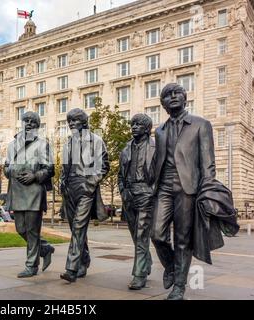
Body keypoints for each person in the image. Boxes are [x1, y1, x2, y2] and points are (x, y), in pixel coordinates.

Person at [150, 83, 217, 300]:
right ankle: (171, 266)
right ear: (163, 104)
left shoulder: (201, 125)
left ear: (185, 98)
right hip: (163, 188)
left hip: (188, 188)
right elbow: (157, 161)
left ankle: (179, 286)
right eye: (167, 95)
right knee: (157, 234)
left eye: (177, 93)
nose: (173, 97)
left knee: (182, 239)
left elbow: (208, 163)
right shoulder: (159, 131)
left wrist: (207, 191)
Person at [60, 108, 110, 283]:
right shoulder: (68, 143)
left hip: (86, 188)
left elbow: (104, 165)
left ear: (84, 121)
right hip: (70, 189)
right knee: (76, 228)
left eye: (75, 120)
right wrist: (62, 183)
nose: (71, 124)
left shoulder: (96, 140)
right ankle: (84, 259)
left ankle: (71, 268)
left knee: (79, 227)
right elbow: (63, 168)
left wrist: (90, 183)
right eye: (69, 121)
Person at [4, 111, 56, 278]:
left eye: (32, 122)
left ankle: (31, 265)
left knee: (33, 230)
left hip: (34, 191)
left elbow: (49, 168)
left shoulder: (42, 144)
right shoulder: (12, 145)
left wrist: (34, 176)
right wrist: (9, 170)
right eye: (26, 121)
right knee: (20, 229)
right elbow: (6, 166)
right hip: (17, 191)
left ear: (37, 126)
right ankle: (45, 248)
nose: (28, 124)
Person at [118, 114, 155, 290]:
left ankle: (139, 275)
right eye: (132, 124)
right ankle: (146, 261)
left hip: (146, 193)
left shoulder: (156, 147)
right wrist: (123, 191)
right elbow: (120, 174)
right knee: (135, 235)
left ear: (147, 128)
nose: (133, 127)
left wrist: (153, 191)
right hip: (129, 195)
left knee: (141, 235)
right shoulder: (126, 148)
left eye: (138, 124)